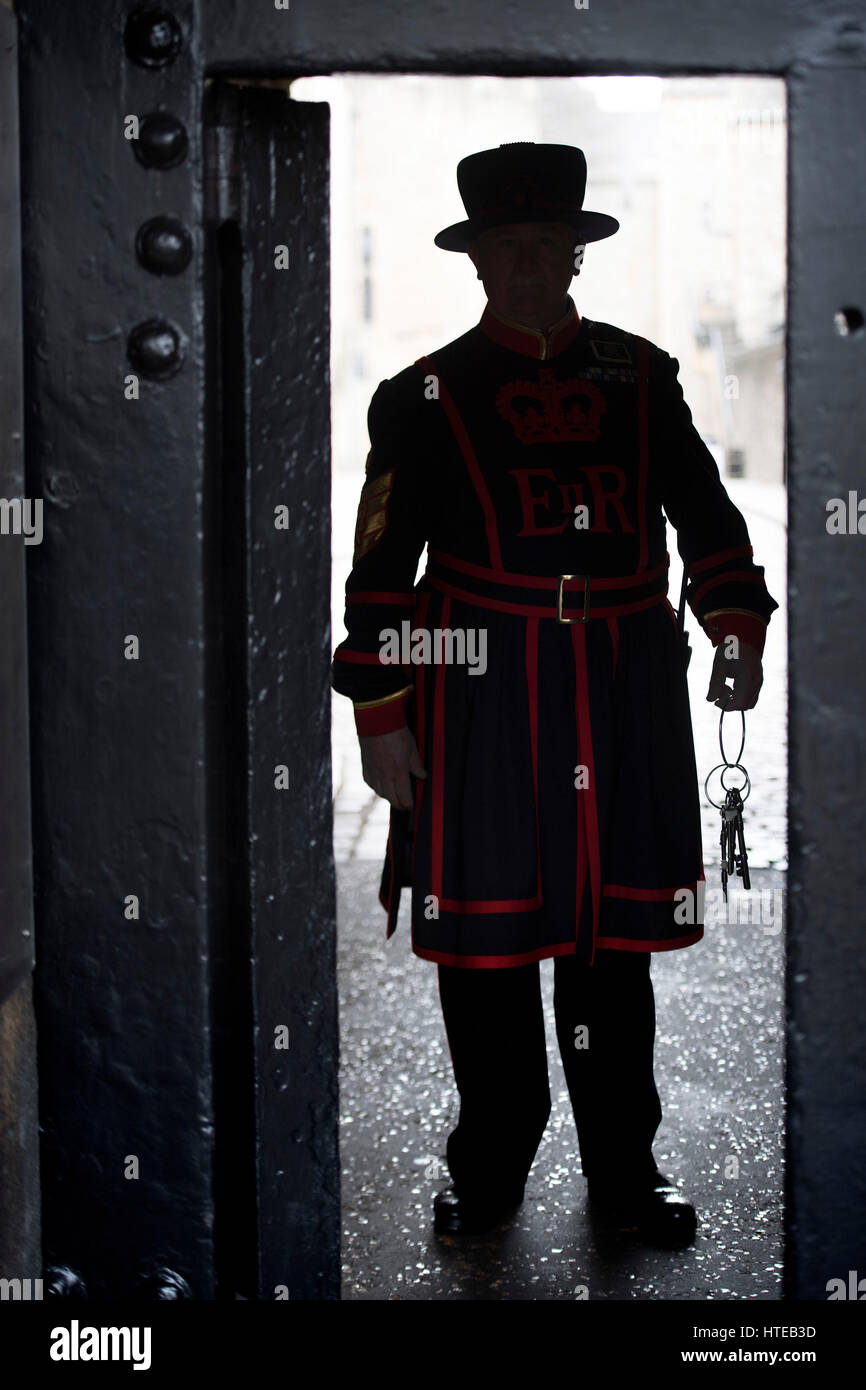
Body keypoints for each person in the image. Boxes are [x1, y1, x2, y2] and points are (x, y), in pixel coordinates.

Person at [331, 142, 778, 1249]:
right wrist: (381, 715)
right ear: (476, 261)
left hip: (624, 687)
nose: (529, 266)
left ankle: (625, 1171)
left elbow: (707, 518)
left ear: (577, 257)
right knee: (484, 950)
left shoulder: (642, 375)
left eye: (548, 246)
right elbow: (379, 573)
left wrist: (733, 623)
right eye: (508, 248)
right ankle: (488, 1167)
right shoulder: (422, 394)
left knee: (610, 947)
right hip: (480, 694)